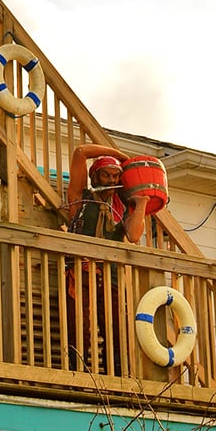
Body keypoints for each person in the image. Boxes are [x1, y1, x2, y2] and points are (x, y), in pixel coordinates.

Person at [65, 144, 148, 374]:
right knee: (79, 325)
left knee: (116, 328)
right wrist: (118, 155)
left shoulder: (121, 206)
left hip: (111, 277)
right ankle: (77, 374)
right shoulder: (81, 197)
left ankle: (118, 377)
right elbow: (80, 152)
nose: (111, 180)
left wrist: (141, 204)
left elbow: (133, 235)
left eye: (115, 176)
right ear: (94, 176)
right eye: (106, 175)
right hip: (81, 272)